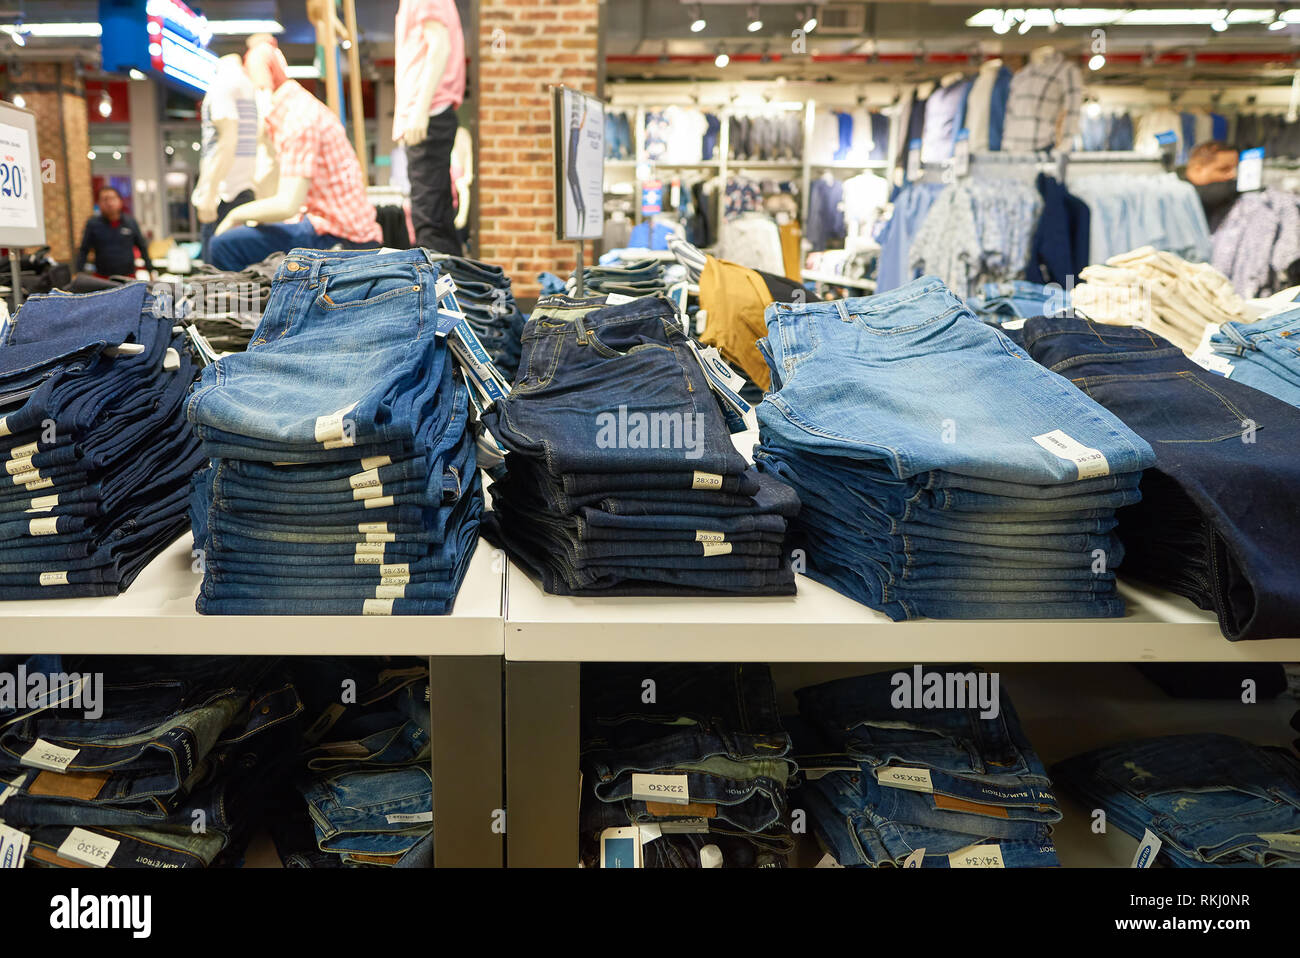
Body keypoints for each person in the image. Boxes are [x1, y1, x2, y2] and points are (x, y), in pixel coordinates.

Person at [74, 186, 149, 278]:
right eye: (105, 199)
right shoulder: (93, 224)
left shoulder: (130, 222)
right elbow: (83, 250)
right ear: (99, 203)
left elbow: (142, 247)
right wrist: (78, 273)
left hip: (128, 277)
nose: (109, 203)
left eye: (112, 199)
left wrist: (150, 269)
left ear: (120, 201)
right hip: (102, 278)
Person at [1182, 141, 1240, 232]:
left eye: (1235, 168)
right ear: (1198, 170)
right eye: (1224, 169)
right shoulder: (1178, 195)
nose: (1232, 175)